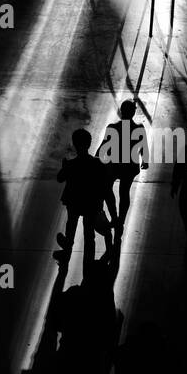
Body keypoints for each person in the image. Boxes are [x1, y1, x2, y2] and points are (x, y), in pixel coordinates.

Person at [55, 129, 116, 268]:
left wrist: (64, 167)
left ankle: (66, 253)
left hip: (74, 203)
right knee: (89, 236)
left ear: (75, 144)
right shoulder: (98, 164)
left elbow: (60, 178)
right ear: (89, 144)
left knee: (70, 228)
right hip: (91, 204)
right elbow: (106, 189)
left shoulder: (70, 165)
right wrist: (113, 213)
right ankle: (88, 265)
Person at [98, 99, 147, 233]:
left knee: (107, 189)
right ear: (133, 112)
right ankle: (121, 220)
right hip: (130, 165)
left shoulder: (112, 128)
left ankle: (114, 217)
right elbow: (143, 146)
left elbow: (104, 146)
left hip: (114, 165)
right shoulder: (139, 128)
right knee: (124, 192)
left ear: (121, 111)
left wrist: (97, 158)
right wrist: (145, 160)